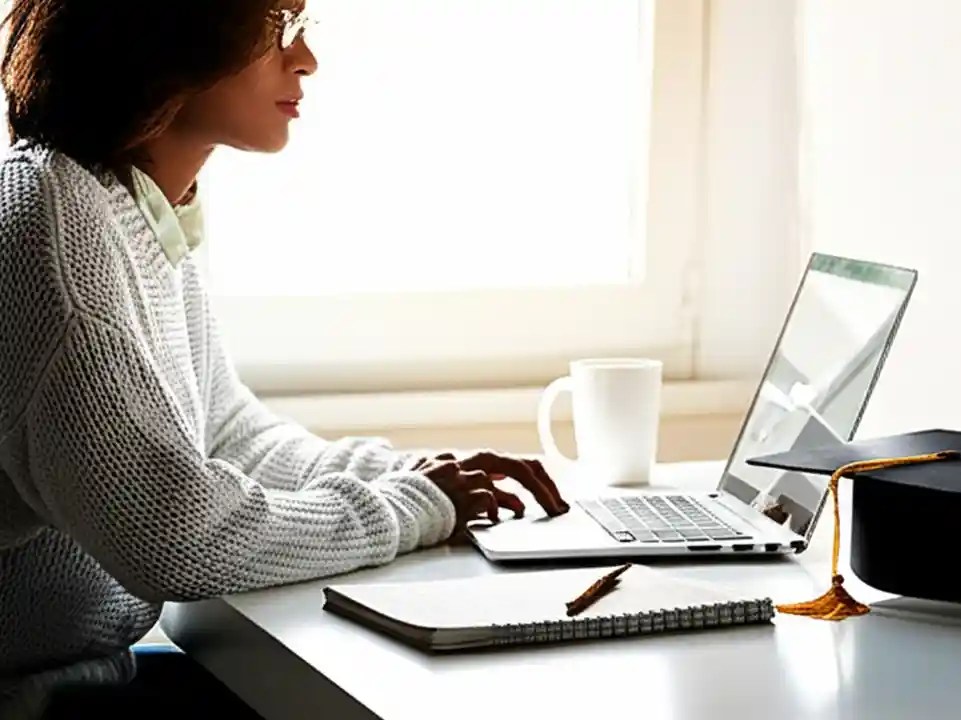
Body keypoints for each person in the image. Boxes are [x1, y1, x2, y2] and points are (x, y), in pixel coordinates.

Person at [0, 1, 569, 716]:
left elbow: (230, 435)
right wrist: (407, 510)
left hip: (84, 678)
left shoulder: (128, 207)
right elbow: (176, 535)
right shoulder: (57, 229)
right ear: (168, 41)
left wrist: (417, 477)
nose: (305, 60)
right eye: (273, 31)